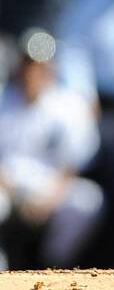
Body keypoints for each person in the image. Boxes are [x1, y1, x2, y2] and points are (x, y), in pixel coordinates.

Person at [0, 30, 104, 270]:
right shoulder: (3, 99)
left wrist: (50, 200)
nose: (33, 72)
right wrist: (9, 187)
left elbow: (74, 165)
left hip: (49, 189)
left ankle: (52, 269)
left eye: (40, 65)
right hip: (7, 187)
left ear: (52, 68)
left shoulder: (70, 106)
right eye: (29, 64)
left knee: (87, 201)